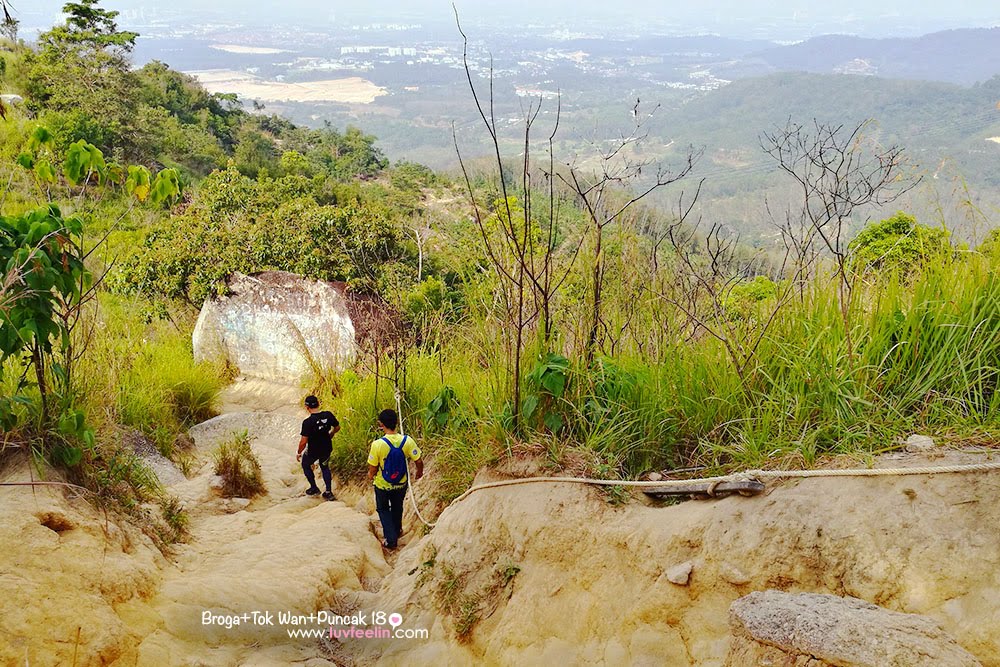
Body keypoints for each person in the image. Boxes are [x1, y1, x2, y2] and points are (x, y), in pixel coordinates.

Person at [367, 408, 422, 549]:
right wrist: (419, 473)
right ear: (396, 423)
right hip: (401, 483)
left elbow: (373, 467)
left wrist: (370, 476)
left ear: (381, 424)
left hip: (382, 485)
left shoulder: (377, 445)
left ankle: (391, 540)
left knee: (383, 509)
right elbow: (418, 460)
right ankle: (397, 530)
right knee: (397, 507)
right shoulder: (407, 441)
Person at [296, 395, 340, 500]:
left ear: (307, 407)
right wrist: (332, 433)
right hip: (326, 447)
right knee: (325, 467)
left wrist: (299, 452)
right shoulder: (328, 415)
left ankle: (314, 487)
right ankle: (328, 492)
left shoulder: (307, 422)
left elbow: (303, 441)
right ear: (318, 404)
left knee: (305, 464)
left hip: (313, 450)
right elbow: (337, 427)